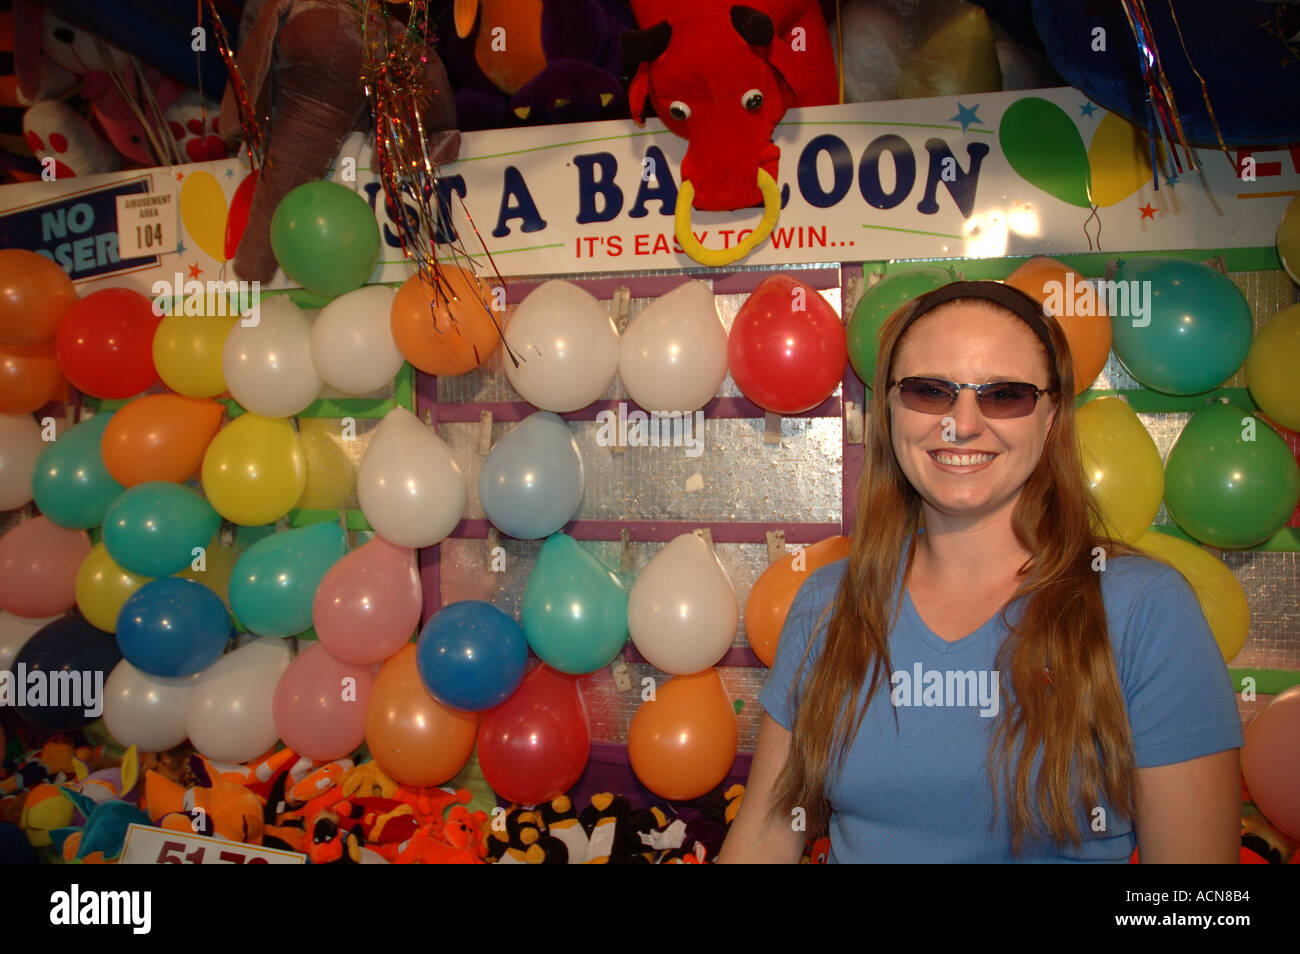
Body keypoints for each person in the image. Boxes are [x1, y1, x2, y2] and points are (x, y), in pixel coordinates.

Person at [718, 280, 1243, 863]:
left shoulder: (1142, 609)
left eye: (1005, 395)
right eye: (929, 390)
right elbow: (765, 838)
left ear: (1050, 419)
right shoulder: (827, 602)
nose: (961, 424)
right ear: (889, 409)